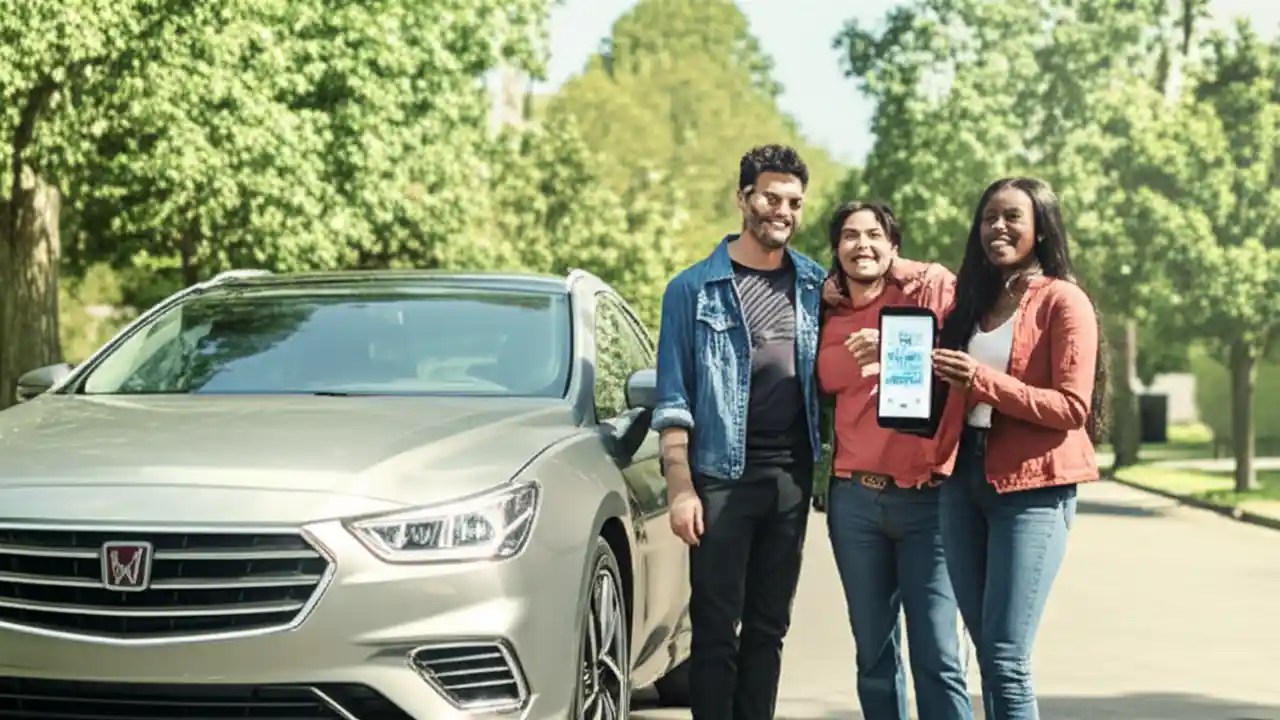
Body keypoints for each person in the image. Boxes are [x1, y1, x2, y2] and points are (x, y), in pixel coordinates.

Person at [652, 144, 827, 720]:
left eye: (794, 202)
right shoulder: (691, 289)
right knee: (714, 631)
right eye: (771, 198)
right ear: (743, 198)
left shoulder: (814, 285)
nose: (782, 210)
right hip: (719, 477)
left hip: (791, 478)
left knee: (768, 629)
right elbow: (674, 398)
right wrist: (680, 486)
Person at [930, 177, 1107, 720]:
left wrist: (982, 381)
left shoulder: (1063, 300)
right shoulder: (973, 300)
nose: (997, 228)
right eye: (988, 218)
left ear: (1041, 228)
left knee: (1006, 657)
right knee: (987, 649)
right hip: (964, 483)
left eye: (1012, 217)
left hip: (1033, 490)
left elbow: (1071, 408)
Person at [816, 201, 973, 720]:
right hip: (854, 501)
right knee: (873, 654)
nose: (862, 245)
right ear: (836, 250)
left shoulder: (923, 292)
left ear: (893, 246)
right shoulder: (826, 311)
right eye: (850, 236)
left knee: (938, 653)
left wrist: (894, 344)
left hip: (926, 501)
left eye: (875, 235)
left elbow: (945, 290)